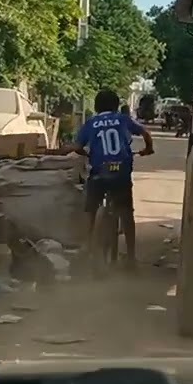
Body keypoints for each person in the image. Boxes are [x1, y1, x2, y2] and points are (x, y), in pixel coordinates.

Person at [68, 89, 153, 269]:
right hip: (121, 172)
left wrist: (87, 153)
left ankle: (86, 246)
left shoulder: (91, 123)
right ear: (116, 106)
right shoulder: (123, 119)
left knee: (90, 210)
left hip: (99, 172)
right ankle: (131, 257)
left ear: (97, 106)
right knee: (126, 213)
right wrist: (148, 149)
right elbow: (145, 133)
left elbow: (76, 147)